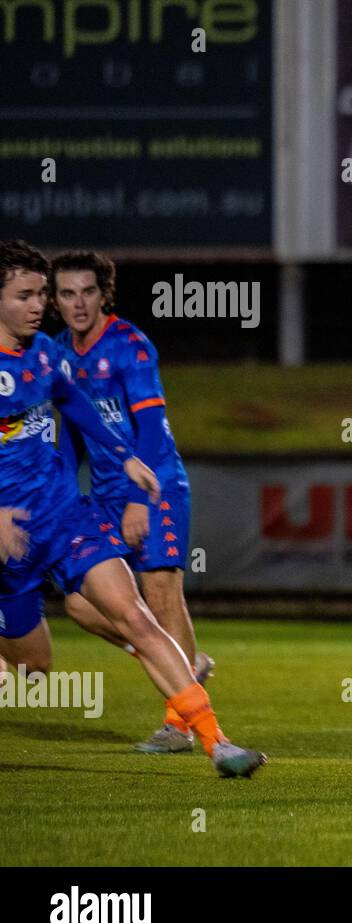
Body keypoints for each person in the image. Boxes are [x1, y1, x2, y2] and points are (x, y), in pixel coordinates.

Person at [0, 239, 263, 777]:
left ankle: (214, 741)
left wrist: (126, 463)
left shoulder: (59, 353)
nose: (44, 305)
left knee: (144, 609)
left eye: (42, 294)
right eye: (30, 295)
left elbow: (80, 408)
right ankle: (184, 666)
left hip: (71, 513)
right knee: (33, 668)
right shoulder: (50, 350)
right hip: (13, 530)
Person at [51, 249, 215, 754]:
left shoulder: (130, 346)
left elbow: (150, 427)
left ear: (105, 295)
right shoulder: (56, 351)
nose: (78, 303)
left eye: (88, 292)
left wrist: (141, 497)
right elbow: (69, 436)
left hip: (154, 485)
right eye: (66, 293)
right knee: (78, 602)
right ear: (55, 300)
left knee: (162, 597)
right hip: (100, 494)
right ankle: (181, 664)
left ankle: (179, 724)